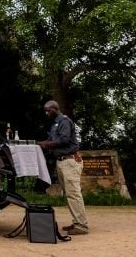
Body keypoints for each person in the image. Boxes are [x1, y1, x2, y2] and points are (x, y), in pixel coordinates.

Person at [37, 100, 89, 235]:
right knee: (69, 194)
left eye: (48, 110)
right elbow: (50, 140)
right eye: (45, 111)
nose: (46, 113)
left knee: (73, 194)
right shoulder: (55, 123)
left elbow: (64, 140)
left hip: (70, 161)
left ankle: (81, 226)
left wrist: (46, 145)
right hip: (61, 161)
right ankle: (77, 222)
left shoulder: (64, 121)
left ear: (55, 109)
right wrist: (37, 144)